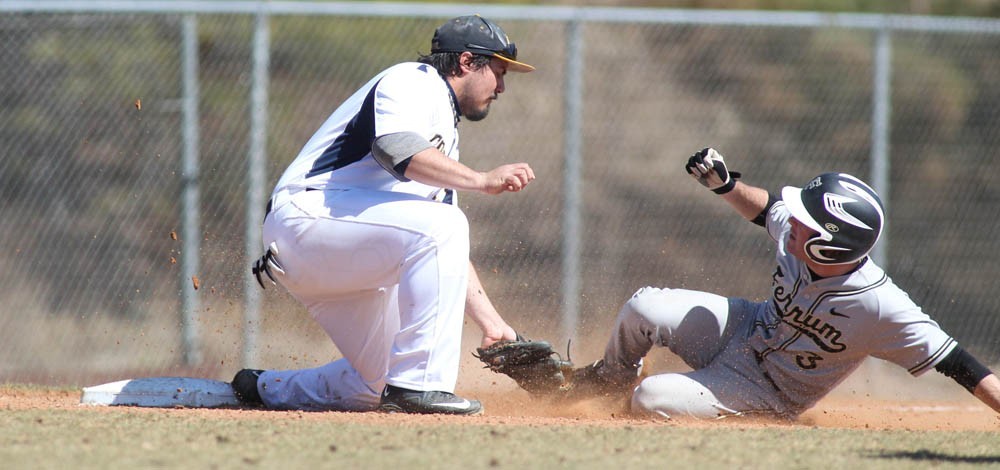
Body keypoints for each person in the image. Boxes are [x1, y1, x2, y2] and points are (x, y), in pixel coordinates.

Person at [231, 15, 536, 416]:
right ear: (466, 61)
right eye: (498, 70)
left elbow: (446, 250)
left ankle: (264, 387)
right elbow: (395, 149)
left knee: (376, 384)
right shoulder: (415, 80)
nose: (501, 86)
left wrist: (493, 325)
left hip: (342, 252)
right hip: (307, 220)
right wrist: (481, 180)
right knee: (444, 226)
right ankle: (422, 387)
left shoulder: (445, 133)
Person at [565, 148, 1000, 420]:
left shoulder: (881, 308)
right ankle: (606, 379)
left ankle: (636, 402)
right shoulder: (798, 237)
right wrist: (726, 185)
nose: (793, 221)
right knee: (645, 307)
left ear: (831, 248)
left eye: (806, 222)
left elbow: (965, 368)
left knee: (651, 399)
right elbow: (765, 208)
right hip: (743, 328)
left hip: (769, 390)